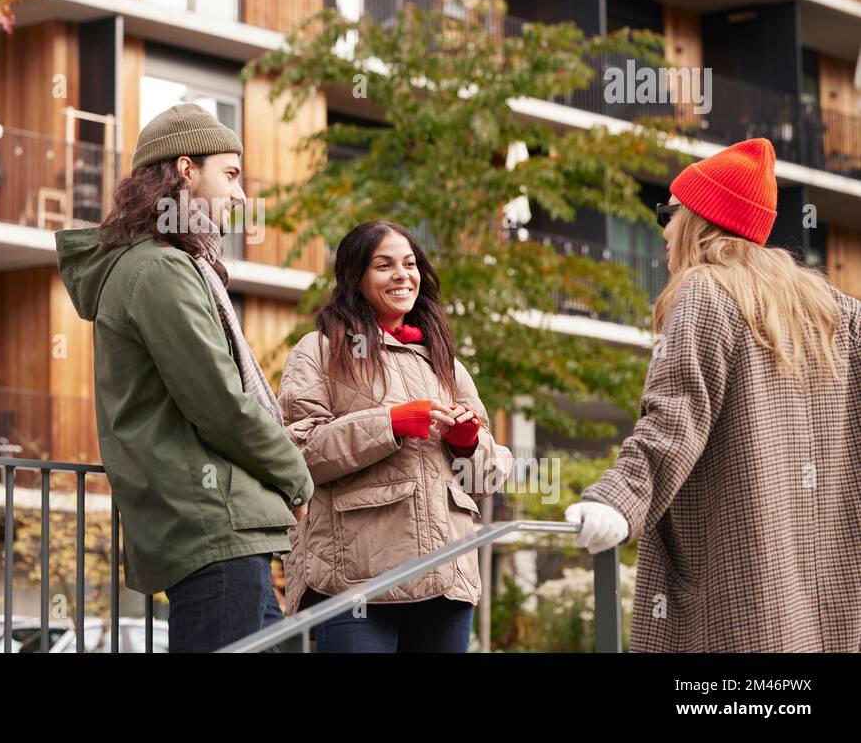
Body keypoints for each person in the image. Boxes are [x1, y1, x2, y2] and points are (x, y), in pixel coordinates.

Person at [567, 138, 861, 652]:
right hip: (828, 607)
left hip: (740, 595)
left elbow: (674, 417)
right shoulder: (837, 311)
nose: (662, 226)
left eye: (668, 211)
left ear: (701, 218)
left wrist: (617, 501)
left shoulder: (706, 291)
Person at [55, 103, 313, 653]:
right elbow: (220, 402)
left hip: (217, 525)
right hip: (213, 526)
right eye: (231, 175)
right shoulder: (161, 270)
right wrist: (297, 475)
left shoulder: (164, 265)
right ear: (186, 171)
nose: (242, 197)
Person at [278, 220, 513, 652]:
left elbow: (487, 478)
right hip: (358, 580)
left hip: (447, 579)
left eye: (409, 263)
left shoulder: (445, 363)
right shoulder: (319, 351)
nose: (402, 274)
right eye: (384, 265)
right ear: (356, 277)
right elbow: (300, 454)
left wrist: (465, 443)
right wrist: (392, 423)